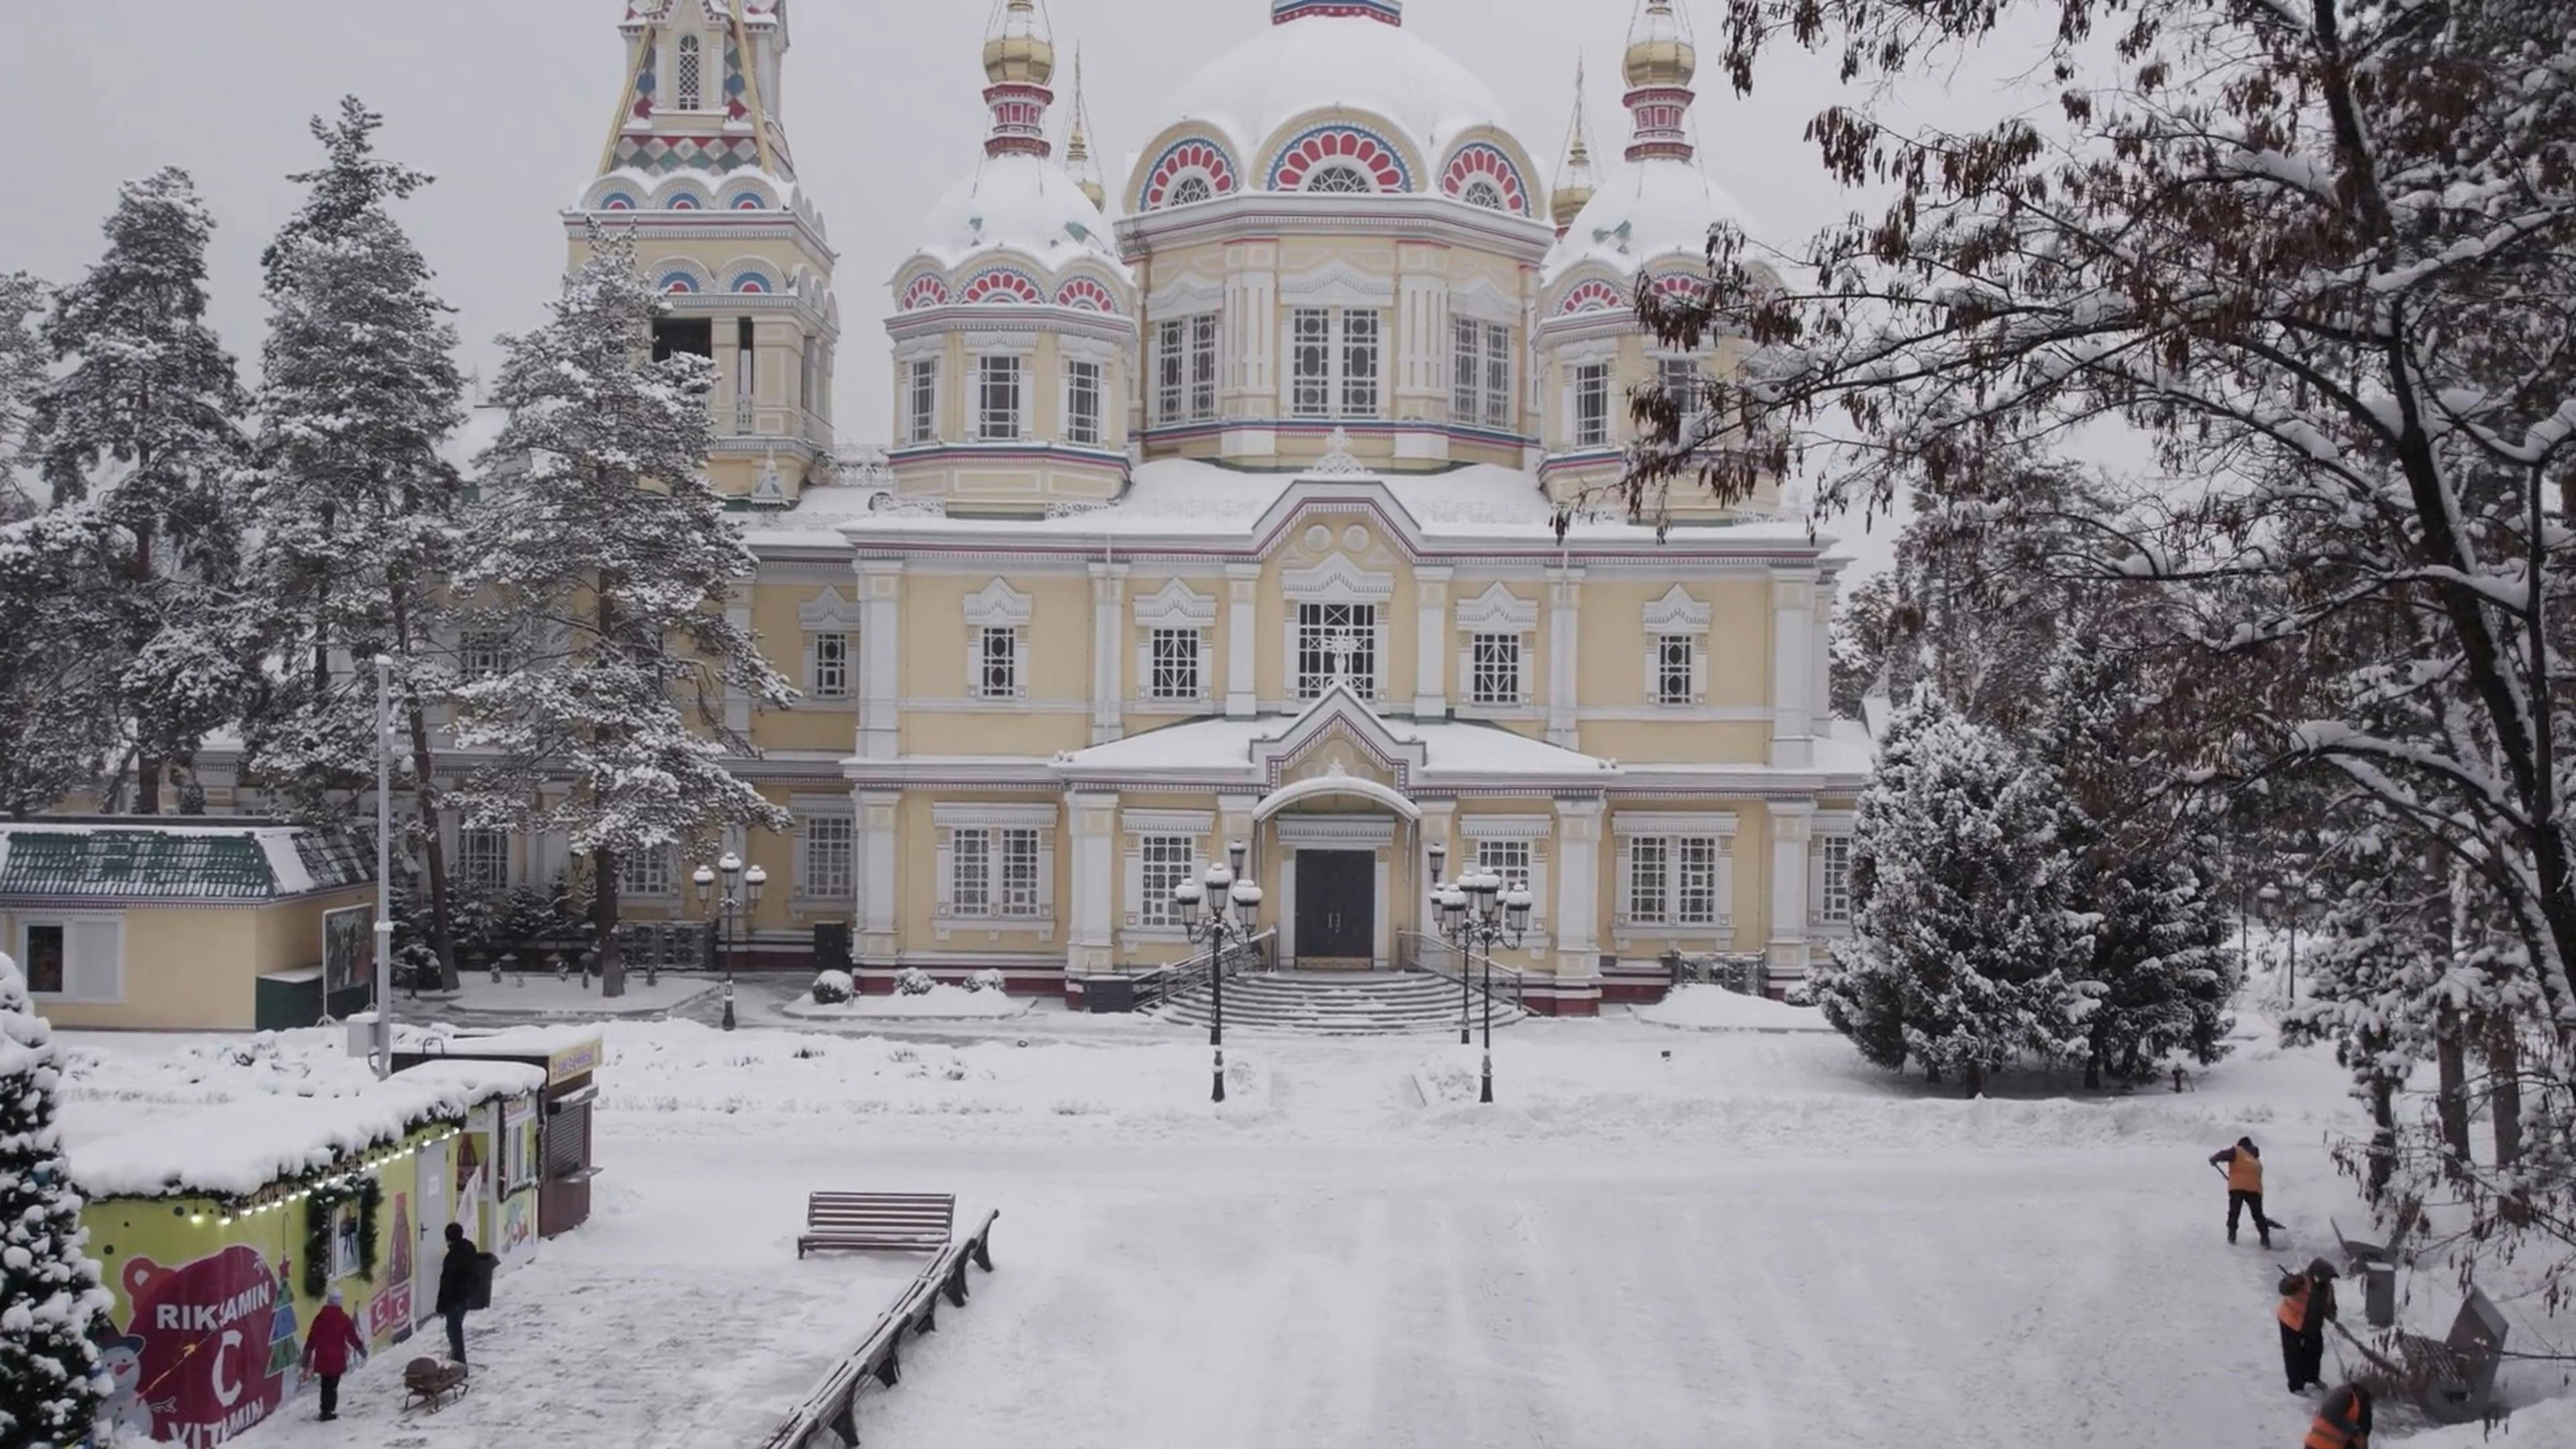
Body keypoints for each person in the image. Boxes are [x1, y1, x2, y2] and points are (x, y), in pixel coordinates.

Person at [300, 1288, 367, 1421]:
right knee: (333, 1385)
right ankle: (328, 1410)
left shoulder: (320, 1318)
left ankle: (325, 1409)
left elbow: (312, 1338)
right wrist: (361, 1350)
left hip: (323, 1357)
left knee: (326, 1384)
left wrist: (306, 1356)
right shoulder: (343, 1319)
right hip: (337, 1357)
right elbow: (352, 1337)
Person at [2277, 1258, 2340, 1393]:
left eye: (2329, 1279)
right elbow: (2284, 1289)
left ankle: (2312, 1377)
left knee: (2315, 1351)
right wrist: (2289, 1283)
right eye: (2326, 1278)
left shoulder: (2328, 1288)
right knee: (2293, 1355)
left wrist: (2332, 1315)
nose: (2328, 1281)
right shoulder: (2300, 1282)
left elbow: (2331, 1306)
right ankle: (2296, 1385)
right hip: (2291, 1322)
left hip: (2312, 1324)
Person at [2211, 1136, 2273, 1248]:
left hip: (2238, 1187)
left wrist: (2214, 1159)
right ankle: (2265, 1239)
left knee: (2234, 1212)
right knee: (2258, 1215)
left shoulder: (2237, 1151)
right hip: (2255, 1190)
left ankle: (2232, 1235)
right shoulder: (2257, 1161)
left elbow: (2224, 1155)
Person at [435, 1223, 478, 1366]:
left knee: (454, 1332)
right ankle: (456, 1356)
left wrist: (441, 1306)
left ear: (448, 1238)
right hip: (467, 1296)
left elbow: (447, 1283)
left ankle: (460, 1363)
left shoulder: (452, 1257)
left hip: (455, 1299)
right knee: (456, 1328)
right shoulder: (469, 1249)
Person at [2303, 1382, 2373, 1448]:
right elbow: (2330, 1413)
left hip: (2318, 1444)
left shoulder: (2354, 1406)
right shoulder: (2346, 1395)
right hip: (2321, 1445)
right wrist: (2355, 1432)